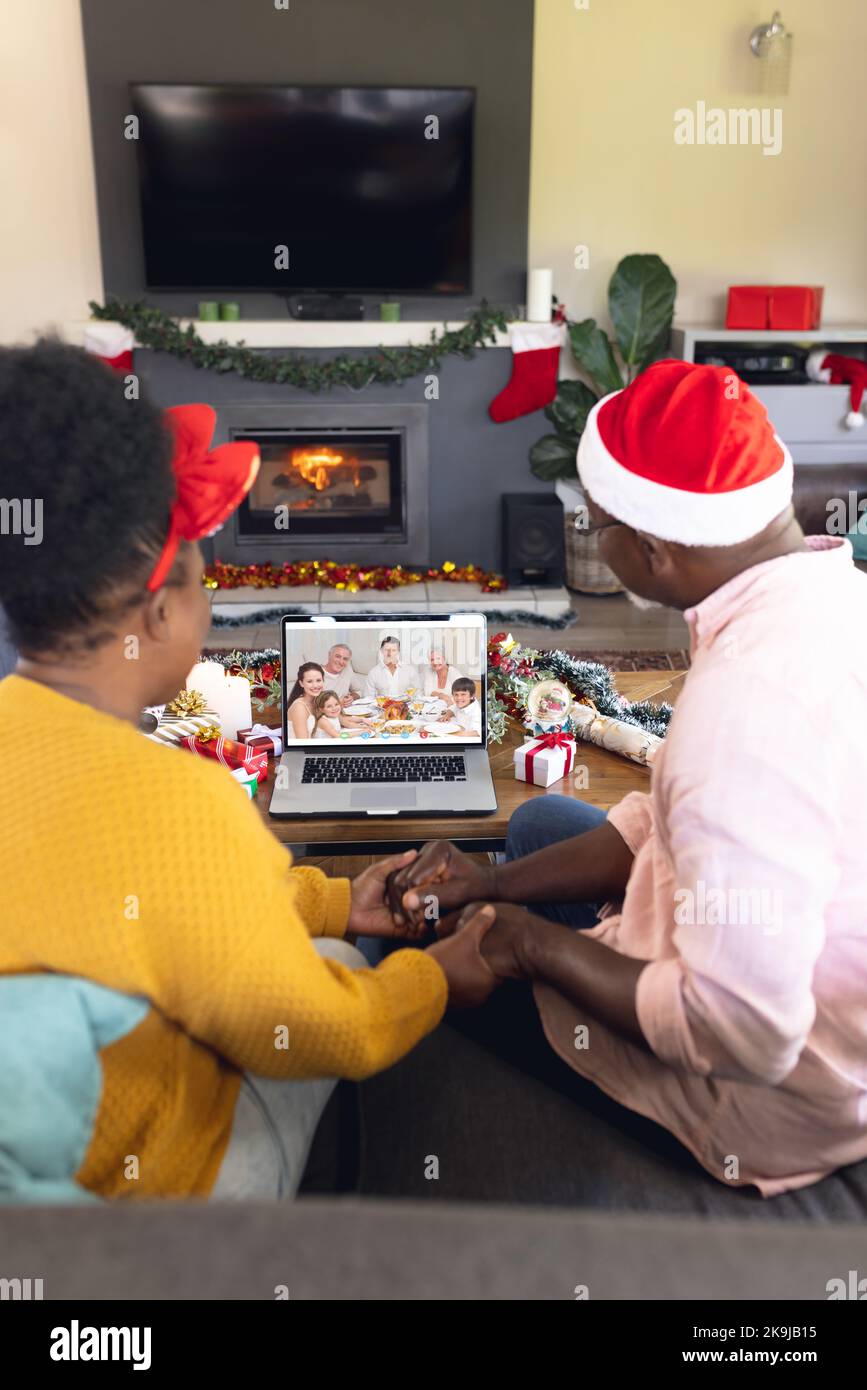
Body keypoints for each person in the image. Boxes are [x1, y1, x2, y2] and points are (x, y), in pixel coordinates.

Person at [0, 341, 495, 1205]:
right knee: (346, 974)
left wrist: (333, 897)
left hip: (51, 1136)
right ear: (160, 610)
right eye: (203, 581)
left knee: (336, 936)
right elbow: (316, 1029)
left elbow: (137, 908)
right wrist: (430, 981)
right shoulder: (177, 805)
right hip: (150, 1189)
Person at [385, 358, 867, 1207]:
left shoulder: (744, 708)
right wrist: (490, 881)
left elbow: (745, 1034)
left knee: (403, 957)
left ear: (648, 551)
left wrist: (524, 942)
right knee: (537, 829)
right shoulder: (827, 596)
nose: (586, 532)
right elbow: (661, 821)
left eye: (593, 520)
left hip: (766, 1093)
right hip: (788, 955)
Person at [364, 635, 420, 699]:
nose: (389, 654)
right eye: (387, 650)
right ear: (381, 650)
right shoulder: (373, 673)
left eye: (393, 650)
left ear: (398, 651)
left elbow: (418, 693)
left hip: (404, 706)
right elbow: (368, 697)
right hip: (383, 707)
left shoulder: (410, 670)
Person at [287, 661, 325, 739]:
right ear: (301, 683)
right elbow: (303, 742)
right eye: (309, 681)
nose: (315, 685)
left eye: (318, 680)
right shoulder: (299, 707)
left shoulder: (319, 699)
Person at [320, 643, 362, 708]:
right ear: (329, 655)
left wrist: (352, 697)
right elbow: (312, 704)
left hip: (346, 712)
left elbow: (359, 691)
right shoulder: (316, 673)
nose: (341, 662)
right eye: (338, 656)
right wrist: (338, 703)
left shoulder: (347, 670)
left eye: (345, 659)